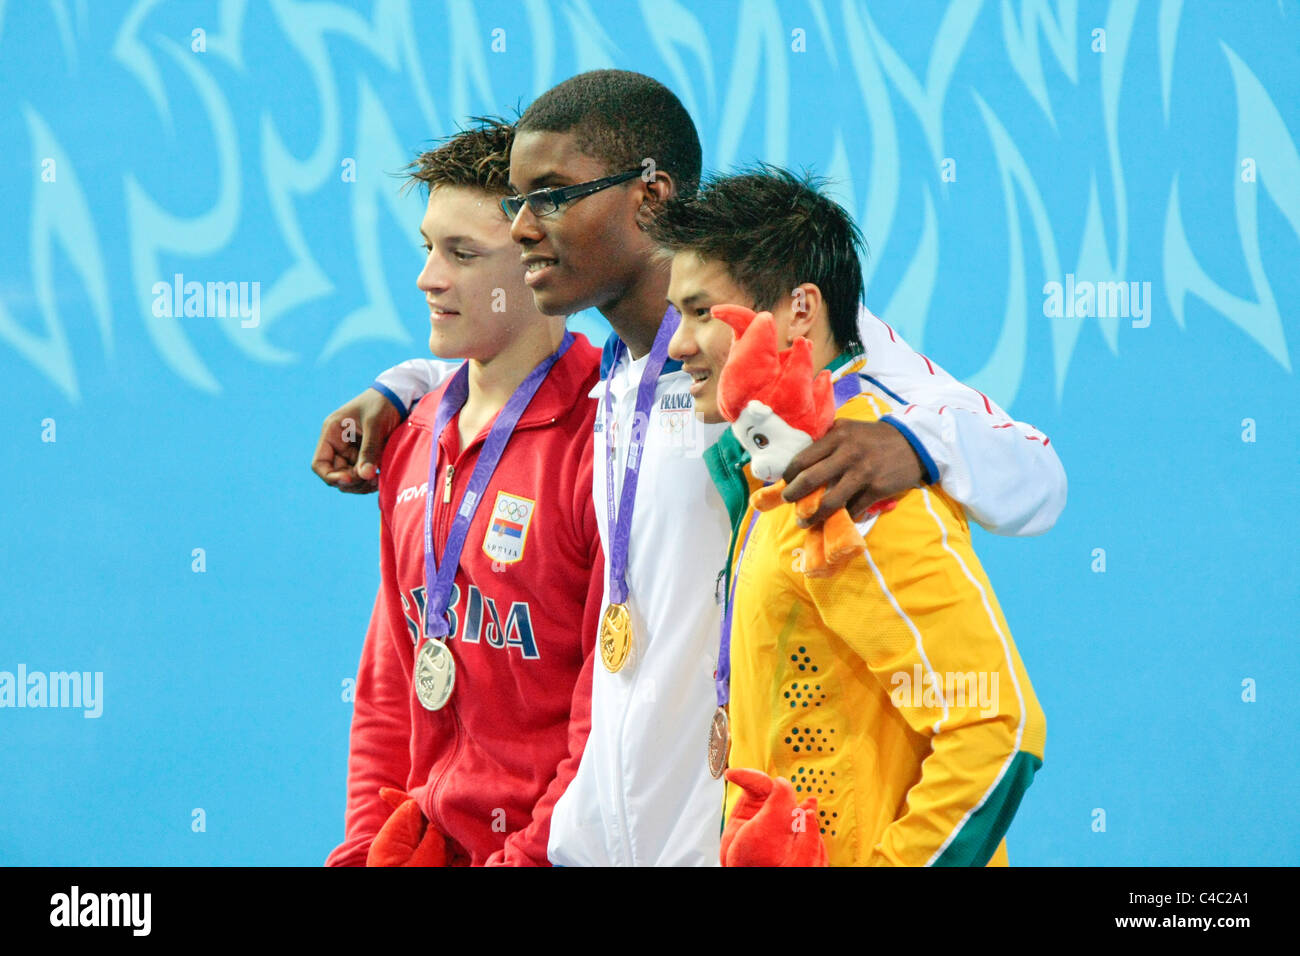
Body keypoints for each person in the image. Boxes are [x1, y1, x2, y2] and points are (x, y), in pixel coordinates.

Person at [311, 70, 1065, 866]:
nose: (524, 226)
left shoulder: (765, 358)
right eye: (515, 205)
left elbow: (1032, 471)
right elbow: (523, 379)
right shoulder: (617, 374)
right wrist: (404, 390)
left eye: (552, 197)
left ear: (650, 198)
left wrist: (918, 445)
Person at [654, 166, 1046, 866]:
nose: (678, 344)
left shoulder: (858, 485)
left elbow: (998, 725)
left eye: (701, 311)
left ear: (801, 309)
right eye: (674, 315)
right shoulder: (776, 472)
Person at [324, 118, 604, 867]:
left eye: (463, 254)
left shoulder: (601, 444)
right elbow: (389, 688)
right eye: (427, 247)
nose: (428, 278)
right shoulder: (410, 434)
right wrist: (362, 849)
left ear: (537, 261)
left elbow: (605, 715)